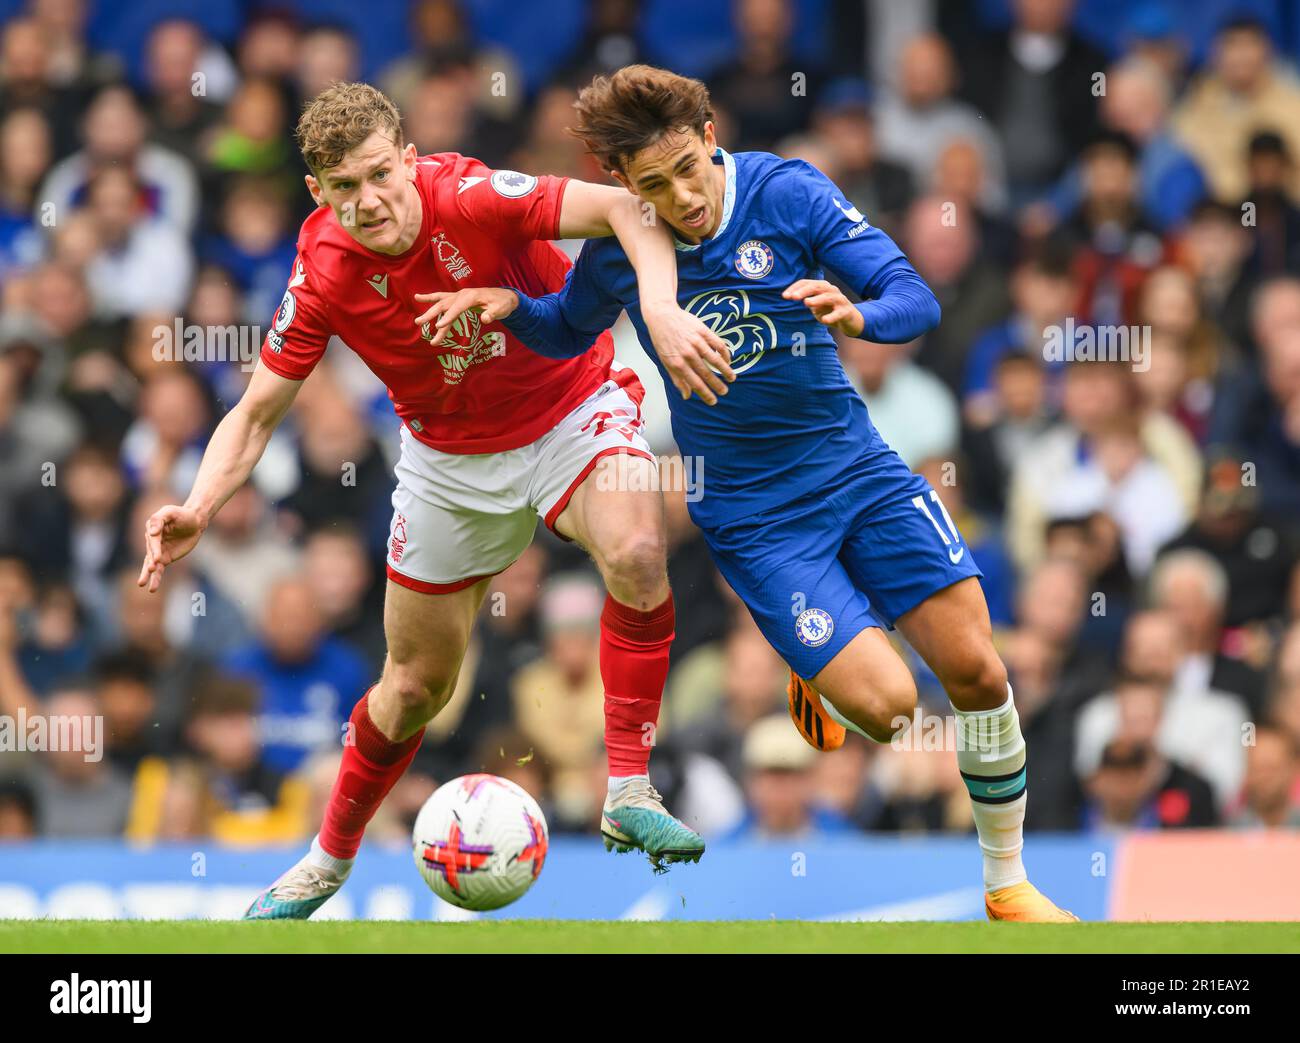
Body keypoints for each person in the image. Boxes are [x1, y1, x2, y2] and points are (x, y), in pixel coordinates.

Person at [428, 65, 1076, 921]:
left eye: (688, 169)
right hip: (756, 517)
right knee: (887, 710)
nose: (682, 197)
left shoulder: (789, 193)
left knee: (978, 671)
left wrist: (857, 316)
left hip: (857, 469)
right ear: (623, 184)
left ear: (708, 137)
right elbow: (567, 327)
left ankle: (1007, 884)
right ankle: (819, 659)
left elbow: (912, 299)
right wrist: (510, 304)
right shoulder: (625, 247)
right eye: (653, 186)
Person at [137, 81, 730, 920]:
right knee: (414, 685)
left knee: (636, 551)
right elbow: (257, 411)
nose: (369, 201)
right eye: (344, 188)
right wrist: (197, 505)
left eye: (381, 174)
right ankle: (327, 859)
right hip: (447, 462)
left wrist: (659, 310)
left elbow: (630, 210)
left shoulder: (475, 196)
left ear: (409, 160)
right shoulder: (322, 272)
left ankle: (628, 785)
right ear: (318, 193)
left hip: (572, 408)